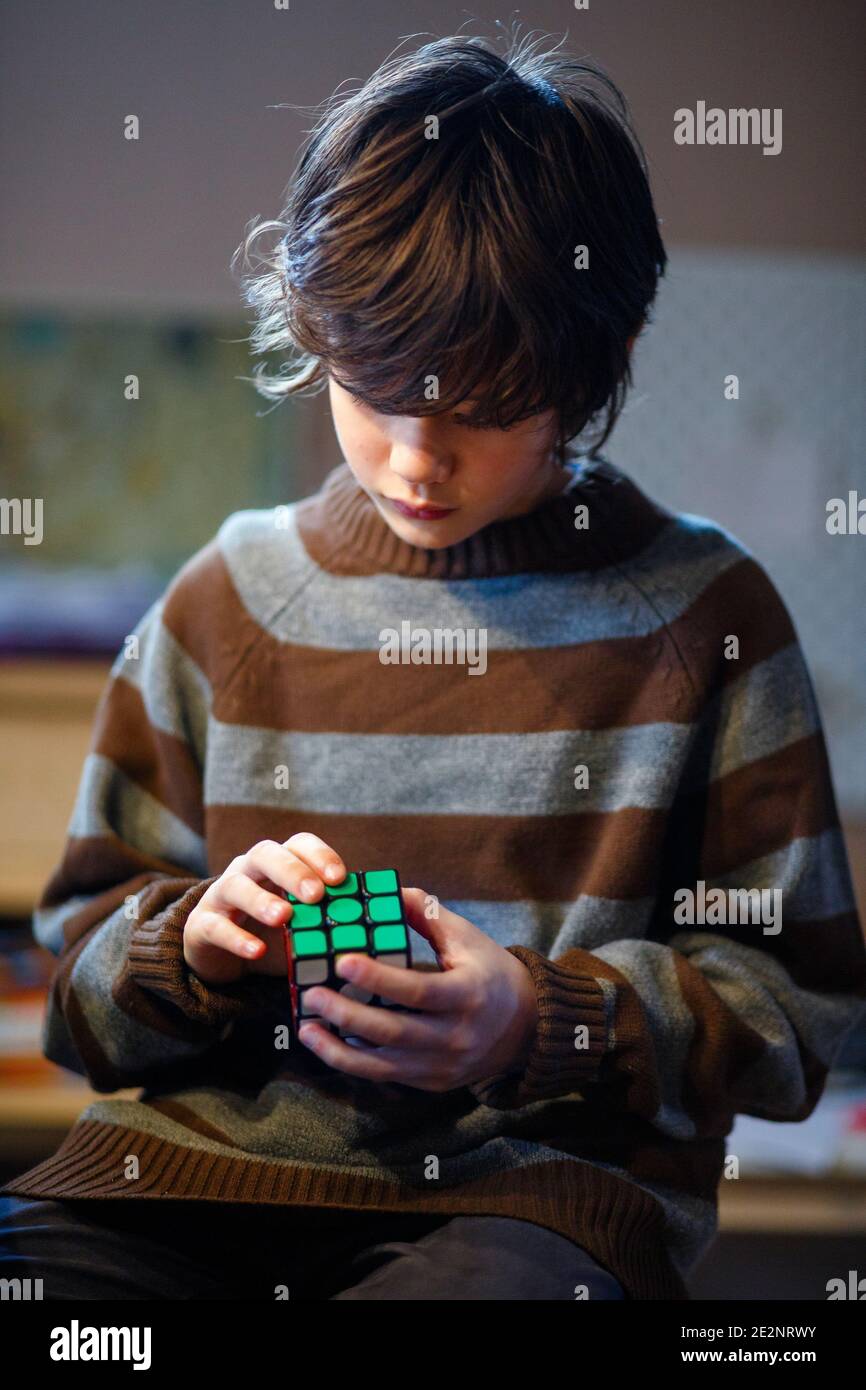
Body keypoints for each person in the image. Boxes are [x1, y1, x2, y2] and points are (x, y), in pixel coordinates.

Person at [1, 32, 864, 1302]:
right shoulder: (225, 600)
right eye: (373, 389)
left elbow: (798, 1016)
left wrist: (536, 1018)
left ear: (597, 368)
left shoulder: (701, 615)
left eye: (479, 408)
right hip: (183, 1183)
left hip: (531, 1205)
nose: (413, 459)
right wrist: (184, 947)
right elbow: (76, 996)